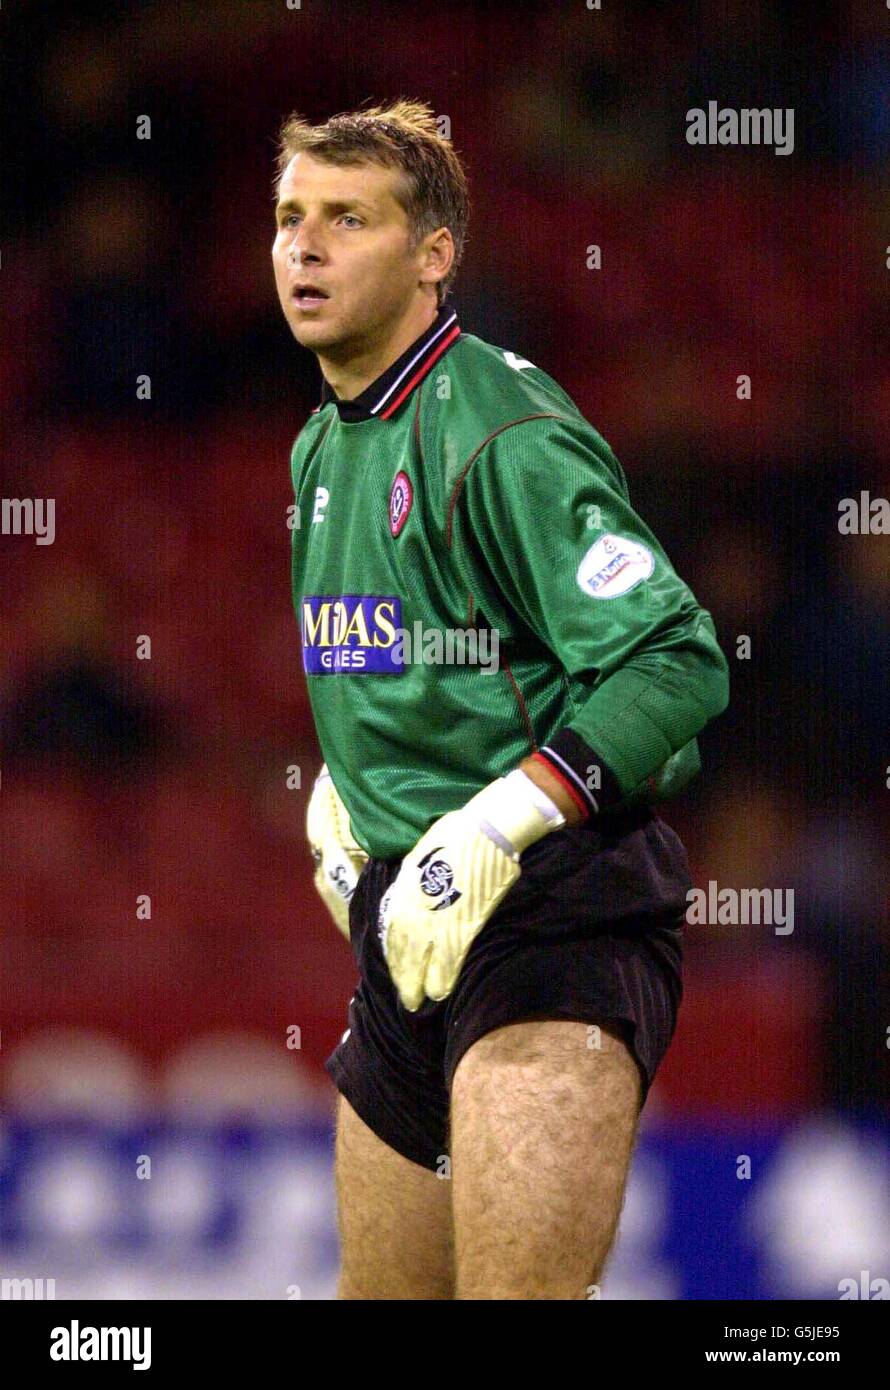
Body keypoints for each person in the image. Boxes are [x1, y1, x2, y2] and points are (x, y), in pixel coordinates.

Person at [272, 99, 729, 1300]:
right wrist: (344, 798)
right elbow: (416, 655)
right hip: (406, 943)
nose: (302, 249)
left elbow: (676, 658)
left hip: (552, 924)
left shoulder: (502, 428)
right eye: (288, 218)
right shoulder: (320, 447)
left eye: (346, 220)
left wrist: (491, 823)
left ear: (433, 255)